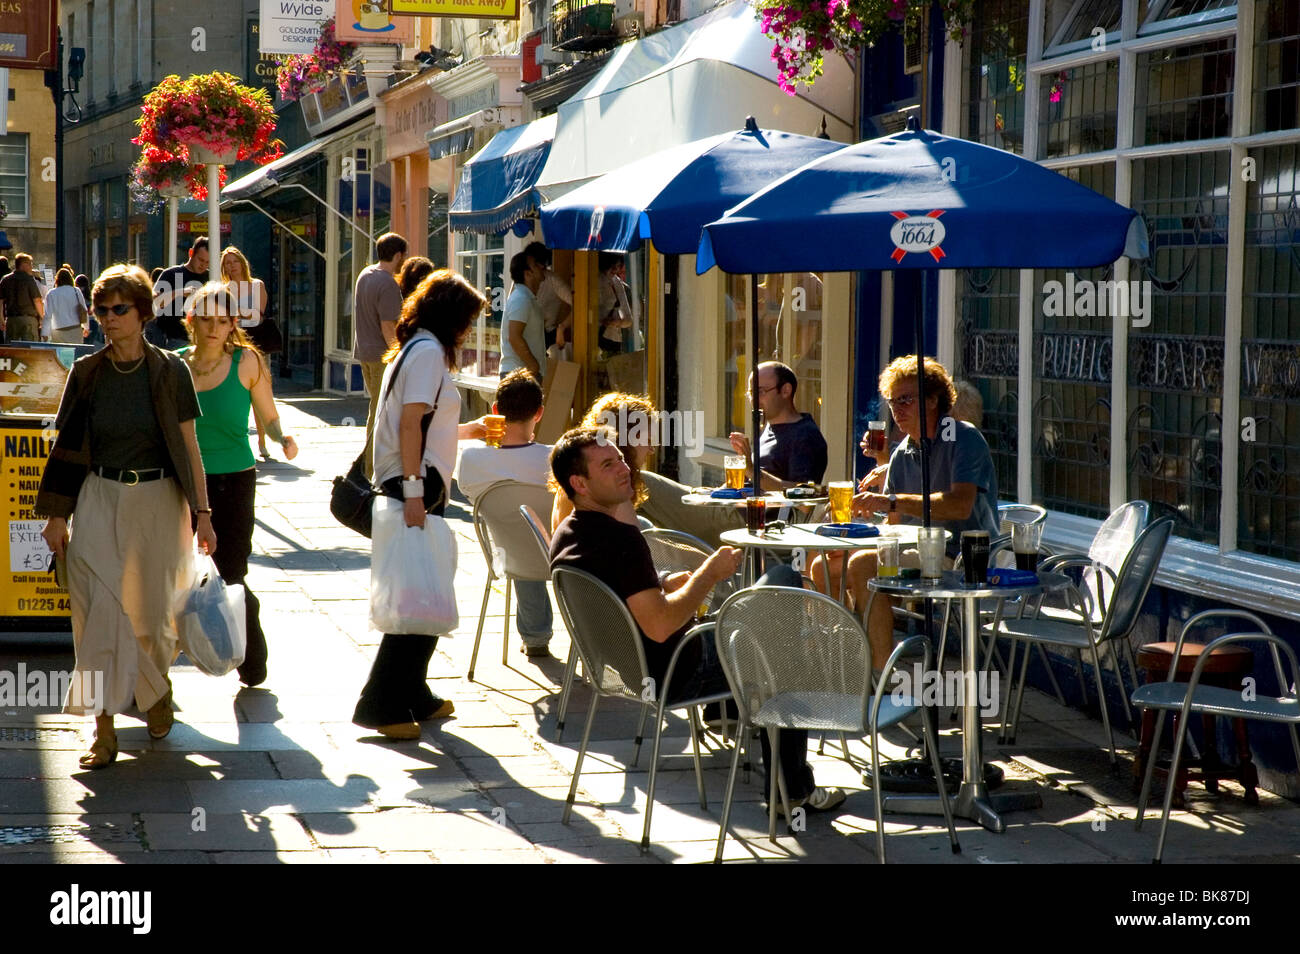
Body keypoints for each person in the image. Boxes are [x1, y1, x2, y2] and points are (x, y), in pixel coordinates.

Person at [549, 427, 846, 815]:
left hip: (631, 668)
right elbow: (660, 626)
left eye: (621, 458)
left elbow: (622, 596)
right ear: (580, 483)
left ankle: (735, 715)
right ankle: (791, 788)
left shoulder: (571, 534)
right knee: (783, 614)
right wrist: (709, 572)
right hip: (675, 669)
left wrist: (662, 582)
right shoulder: (622, 540)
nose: (624, 469)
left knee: (771, 604)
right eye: (608, 465)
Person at [35, 264, 216, 769]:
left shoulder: (169, 371)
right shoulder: (87, 373)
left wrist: (204, 514)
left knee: (152, 619)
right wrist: (55, 516)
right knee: (96, 615)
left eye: (119, 310)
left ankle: (154, 695)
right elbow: (67, 446)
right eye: (102, 310)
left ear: (142, 314)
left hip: (159, 500)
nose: (108, 319)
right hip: (98, 496)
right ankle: (104, 728)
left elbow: (189, 447)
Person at [353, 268, 488, 740]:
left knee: (424, 588)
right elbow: (410, 425)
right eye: (467, 320)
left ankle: (415, 693)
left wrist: (467, 431)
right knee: (419, 595)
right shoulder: (429, 352)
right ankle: (382, 703)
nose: (469, 330)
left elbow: (421, 422)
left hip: (414, 476)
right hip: (415, 482)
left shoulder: (416, 347)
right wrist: (414, 491)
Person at [844, 356, 1000, 665]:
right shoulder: (903, 451)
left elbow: (959, 504)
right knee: (827, 567)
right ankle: (840, 664)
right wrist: (862, 523)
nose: (896, 409)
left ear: (932, 399)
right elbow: (893, 525)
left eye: (905, 400)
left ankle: (880, 674)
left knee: (863, 565)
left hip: (963, 557)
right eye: (892, 401)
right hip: (917, 552)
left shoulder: (962, 437)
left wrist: (890, 501)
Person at [181, 282, 298, 687]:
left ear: (234, 324)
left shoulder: (247, 361)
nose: (214, 328)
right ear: (192, 321)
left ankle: (251, 658)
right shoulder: (176, 365)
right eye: (206, 320)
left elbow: (267, 411)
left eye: (223, 321)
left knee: (231, 571)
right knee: (180, 573)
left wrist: (282, 437)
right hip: (184, 481)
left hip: (234, 478)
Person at [455, 368, 554, 657]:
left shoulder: (472, 459)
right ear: (539, 413)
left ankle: (535, 636)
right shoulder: (555, 458)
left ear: (495, 410)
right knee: (536, 530)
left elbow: (472, 497)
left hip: (508, 557)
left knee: (517, 532)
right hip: (562, 557)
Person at [354, 232, 407, 477]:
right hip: (381, 355)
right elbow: (388, 326)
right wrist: (399, 355)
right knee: (380, 413)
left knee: (375, 409)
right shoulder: (387, 284)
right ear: (398, 255)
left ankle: (369, 465)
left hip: (364, 351)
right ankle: (369, 469)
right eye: (403, 257)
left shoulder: (365, 275)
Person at [728, 361, 828, 491]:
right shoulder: (769, 426)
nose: (754, 400)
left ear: (786, 390)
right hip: (746, 509)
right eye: (751, 393)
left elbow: (805, 496)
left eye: (760, 391)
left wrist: (752, 471)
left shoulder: (805, 436)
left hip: (772, 511)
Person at [220, 246, 279, 460]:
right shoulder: (224, 288)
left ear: (242, 263)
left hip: (256, 345)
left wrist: (237, 313)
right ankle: (239, 439)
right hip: (231, 344)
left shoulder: (257, 285)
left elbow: (258, 315)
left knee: (259, 394)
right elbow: (224, 317)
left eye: (235, 261)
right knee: (236, 394)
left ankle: (263, 441)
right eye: (228, 263)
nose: (232, 265)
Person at [152, 237, 211, 350]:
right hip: (172, 339)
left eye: (207, 262)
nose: (203, 265)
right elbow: (155, 302)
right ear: (191, 253)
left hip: (200, 340)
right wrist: (180, 292)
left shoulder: (211, 277)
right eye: (200, 260)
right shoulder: (171, 274)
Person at [500, 250, 545, 378]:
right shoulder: (521, 298)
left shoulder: (526, 297)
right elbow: (514, 337)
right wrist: (533, 366)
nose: (542, 267)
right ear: (528, 274)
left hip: (523, 373)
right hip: (519, 374)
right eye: (536, 265)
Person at [524, 242, 572, 355]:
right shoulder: (523, 278)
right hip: (525, 333)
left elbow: (579, 304)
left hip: (545, 336)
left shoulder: (552, 280)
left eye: (537, 264)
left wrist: (562, 327)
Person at [0, 253, 46, 343]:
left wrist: (1, 319)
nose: (31, 267)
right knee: (29, 348)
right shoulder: (29, 279)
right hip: (28, 319)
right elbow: (37, 300)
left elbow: (0, 301)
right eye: (30, 264)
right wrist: (42, 317)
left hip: (11, 319)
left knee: (11, 349)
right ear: (23, 265)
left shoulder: (5, 279)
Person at [597, 252, 634, 357]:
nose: (615, 270)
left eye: (618, 266)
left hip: (612, 339)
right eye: (612, 266)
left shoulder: (616, 282)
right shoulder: (595, 279)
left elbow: (628, 319)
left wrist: (615, 322)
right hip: (596, 337)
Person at [45, 268, 89, 343]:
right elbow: (83, 310)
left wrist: (45, 332)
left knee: (59, 353)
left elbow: (48, 315)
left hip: (57, 330)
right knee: (76, 353)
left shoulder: (51, 293)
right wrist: (86, 327)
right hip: (75, 329)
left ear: (57, 280)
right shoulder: (76, 291)